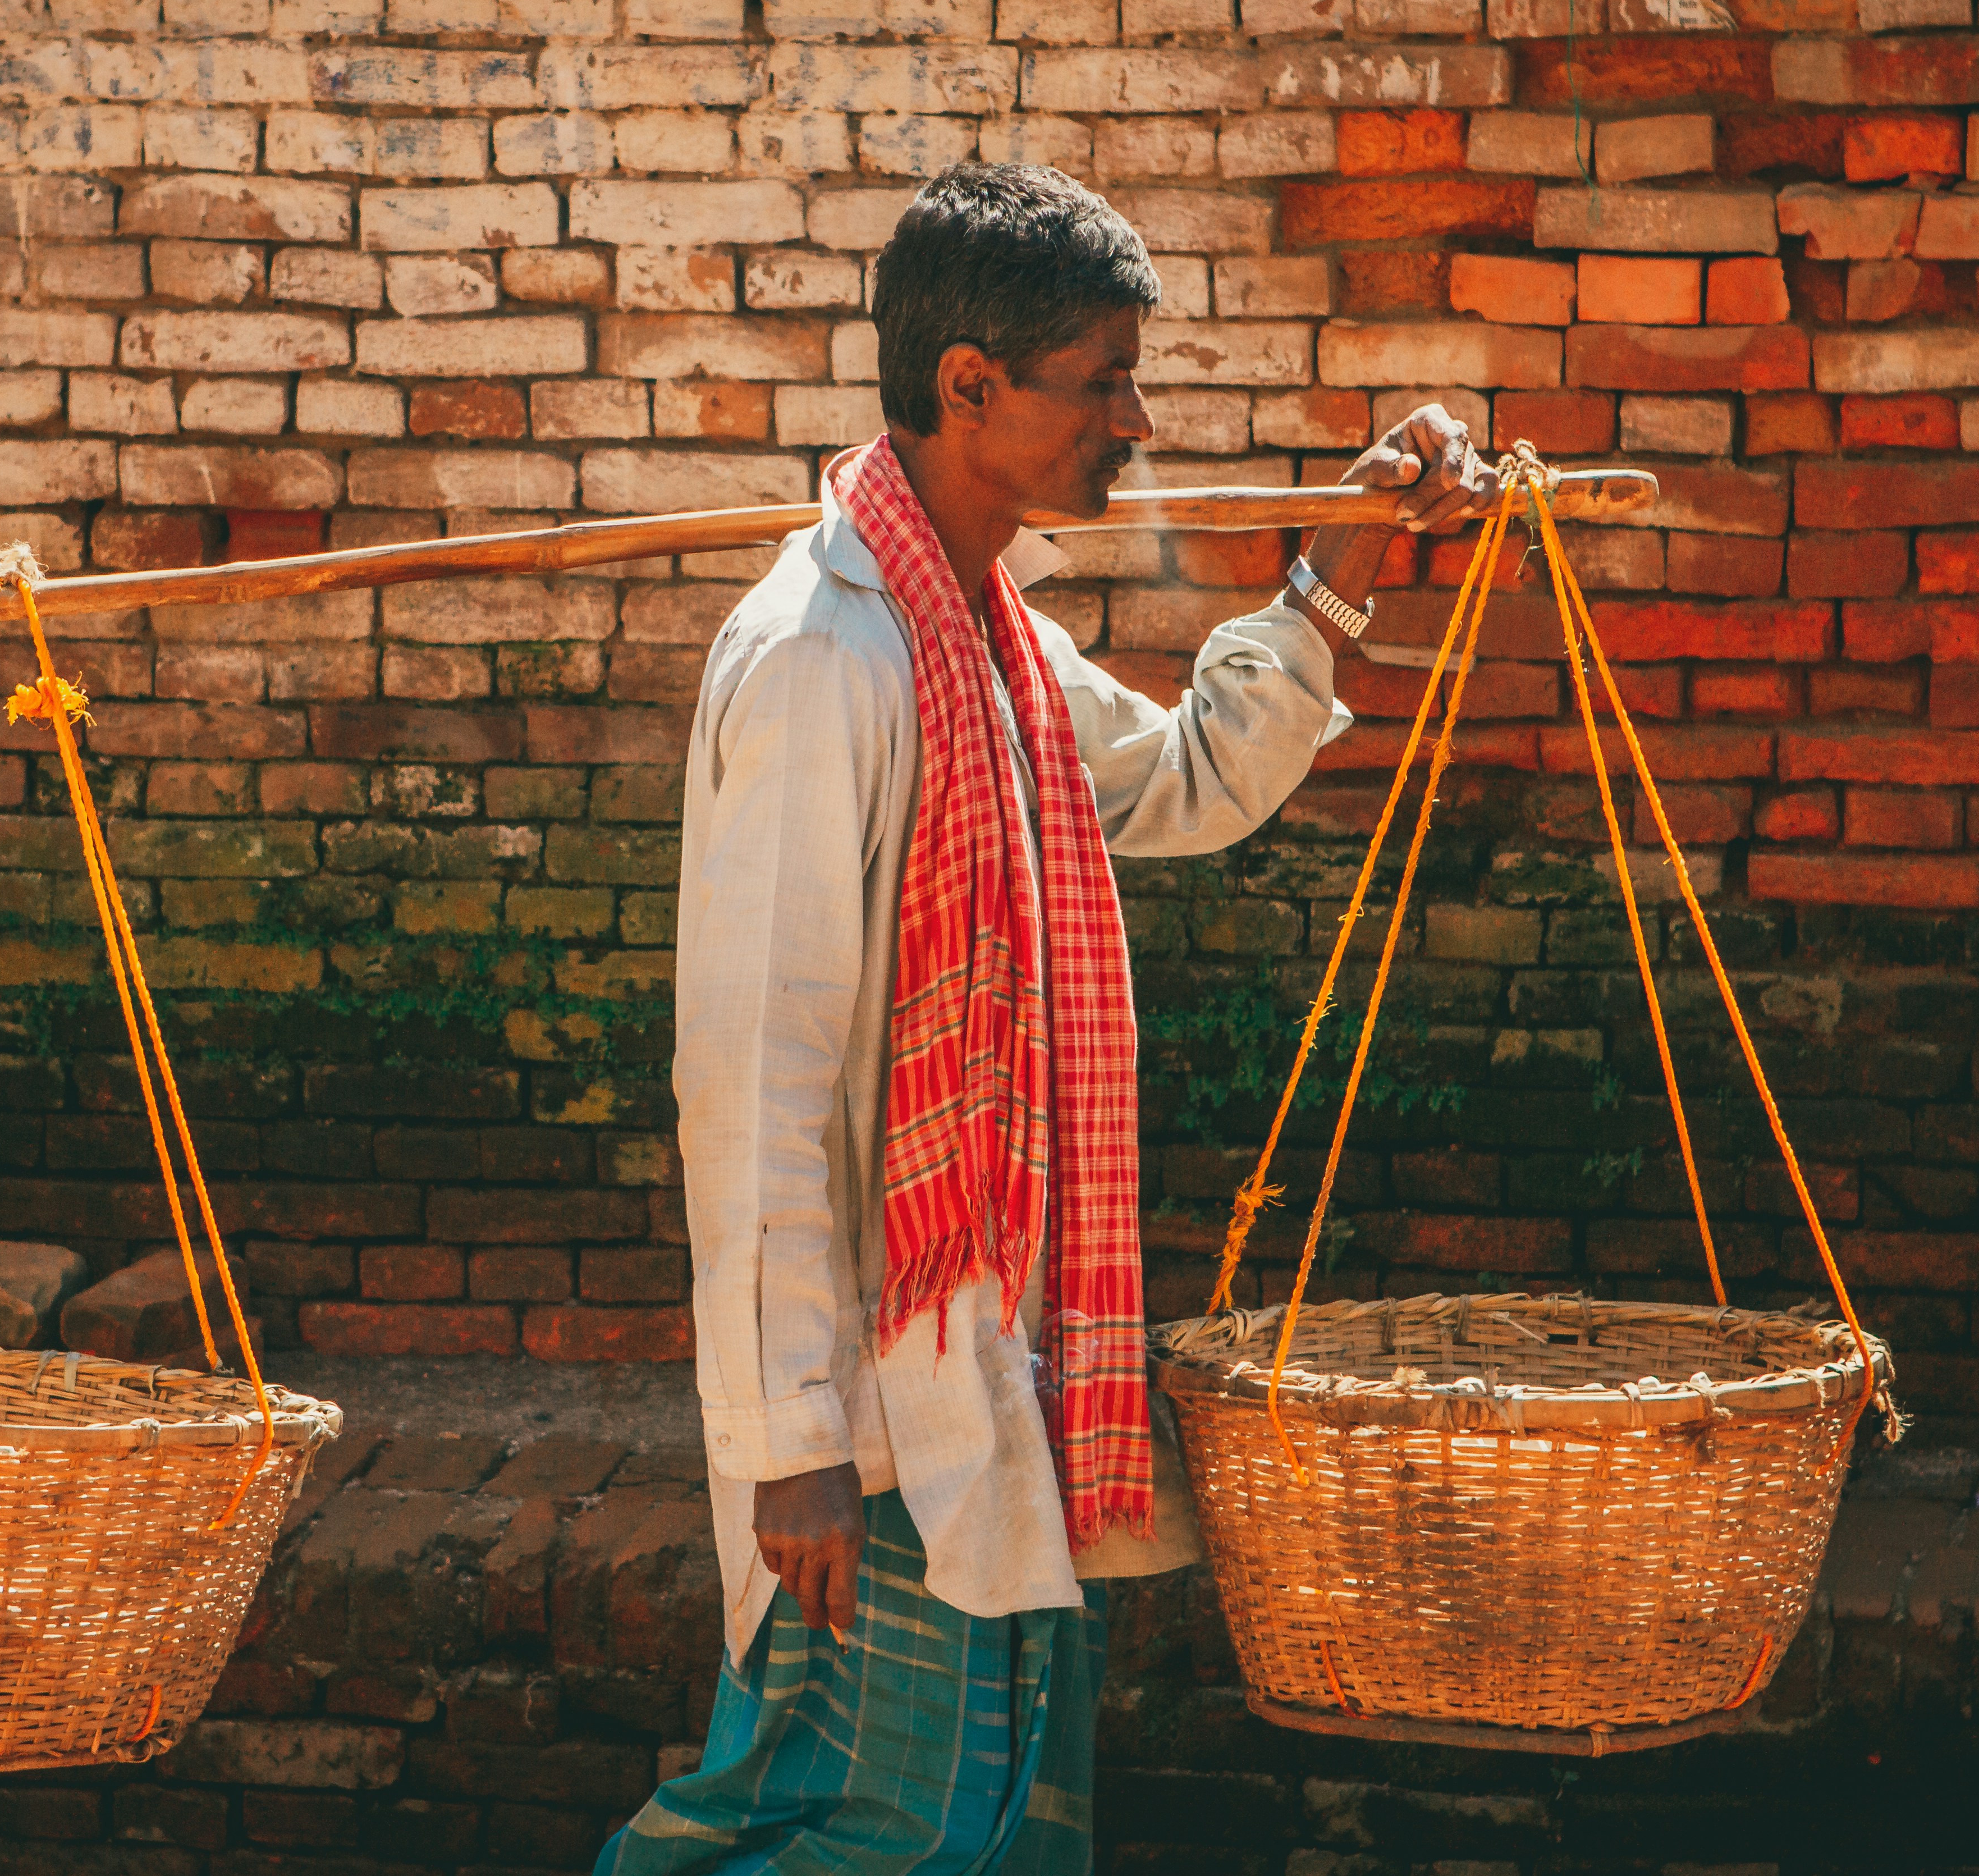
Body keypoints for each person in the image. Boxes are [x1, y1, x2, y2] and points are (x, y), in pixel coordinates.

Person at [600, 163, 1502, 1876]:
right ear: (969, 388)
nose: (1136, 426)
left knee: (979, 1837)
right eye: (1103, 382)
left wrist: (1334, 577)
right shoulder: (820, 661)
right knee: (829, 1837)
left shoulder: (994, 643)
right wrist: (790, 1450)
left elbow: (1182, 778)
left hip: (992, 1377)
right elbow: (754, 1085)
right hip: (862, 1427)